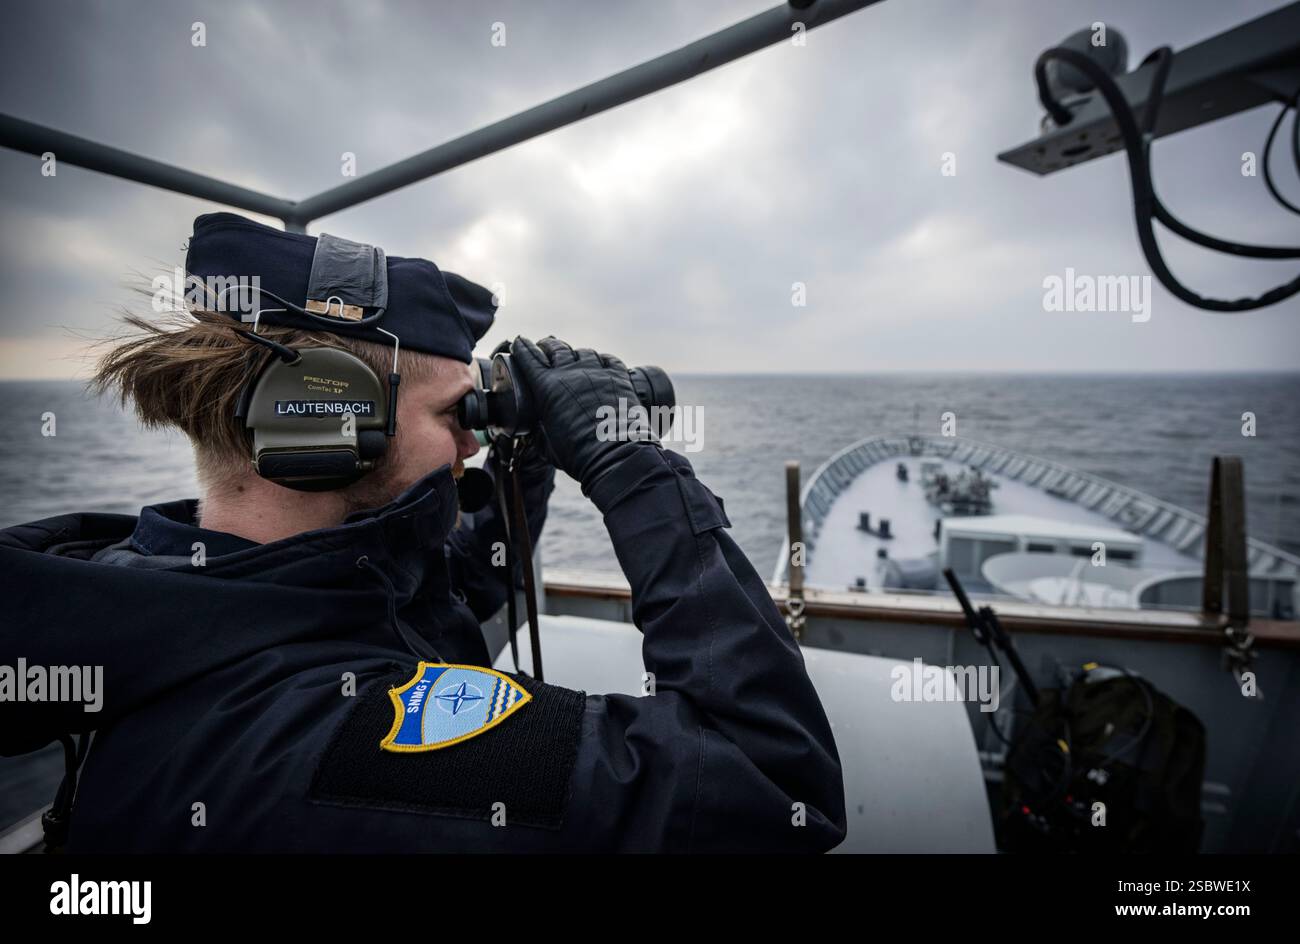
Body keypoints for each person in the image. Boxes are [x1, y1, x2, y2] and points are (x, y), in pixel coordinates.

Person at [0, 213, 846, 852]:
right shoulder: (330, 740)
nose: (472, 441)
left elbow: (445, 594)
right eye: (455, 414)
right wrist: (632, 467)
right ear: (326, 421)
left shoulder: (186, 588)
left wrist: (533, 458)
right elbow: (769, 782)